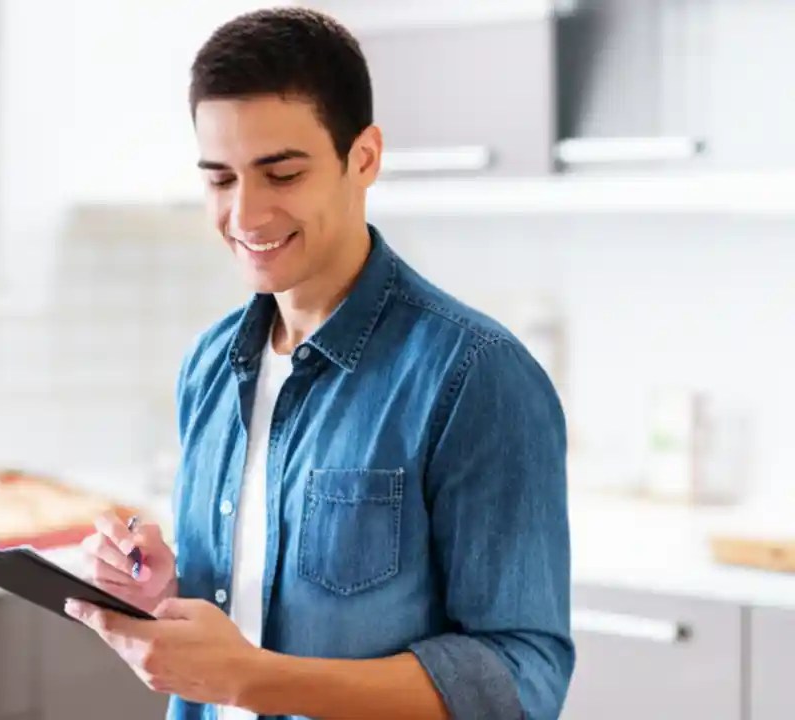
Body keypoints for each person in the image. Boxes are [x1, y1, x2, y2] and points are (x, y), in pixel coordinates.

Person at [66, 7, 573, 720]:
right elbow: (239, 611)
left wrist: (254, 678)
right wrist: (158, 594)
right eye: (220, 179)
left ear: (363, 157)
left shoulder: (475, 375)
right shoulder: (209, 366)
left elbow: (522, 677)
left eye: (281, 173)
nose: (246, 214)